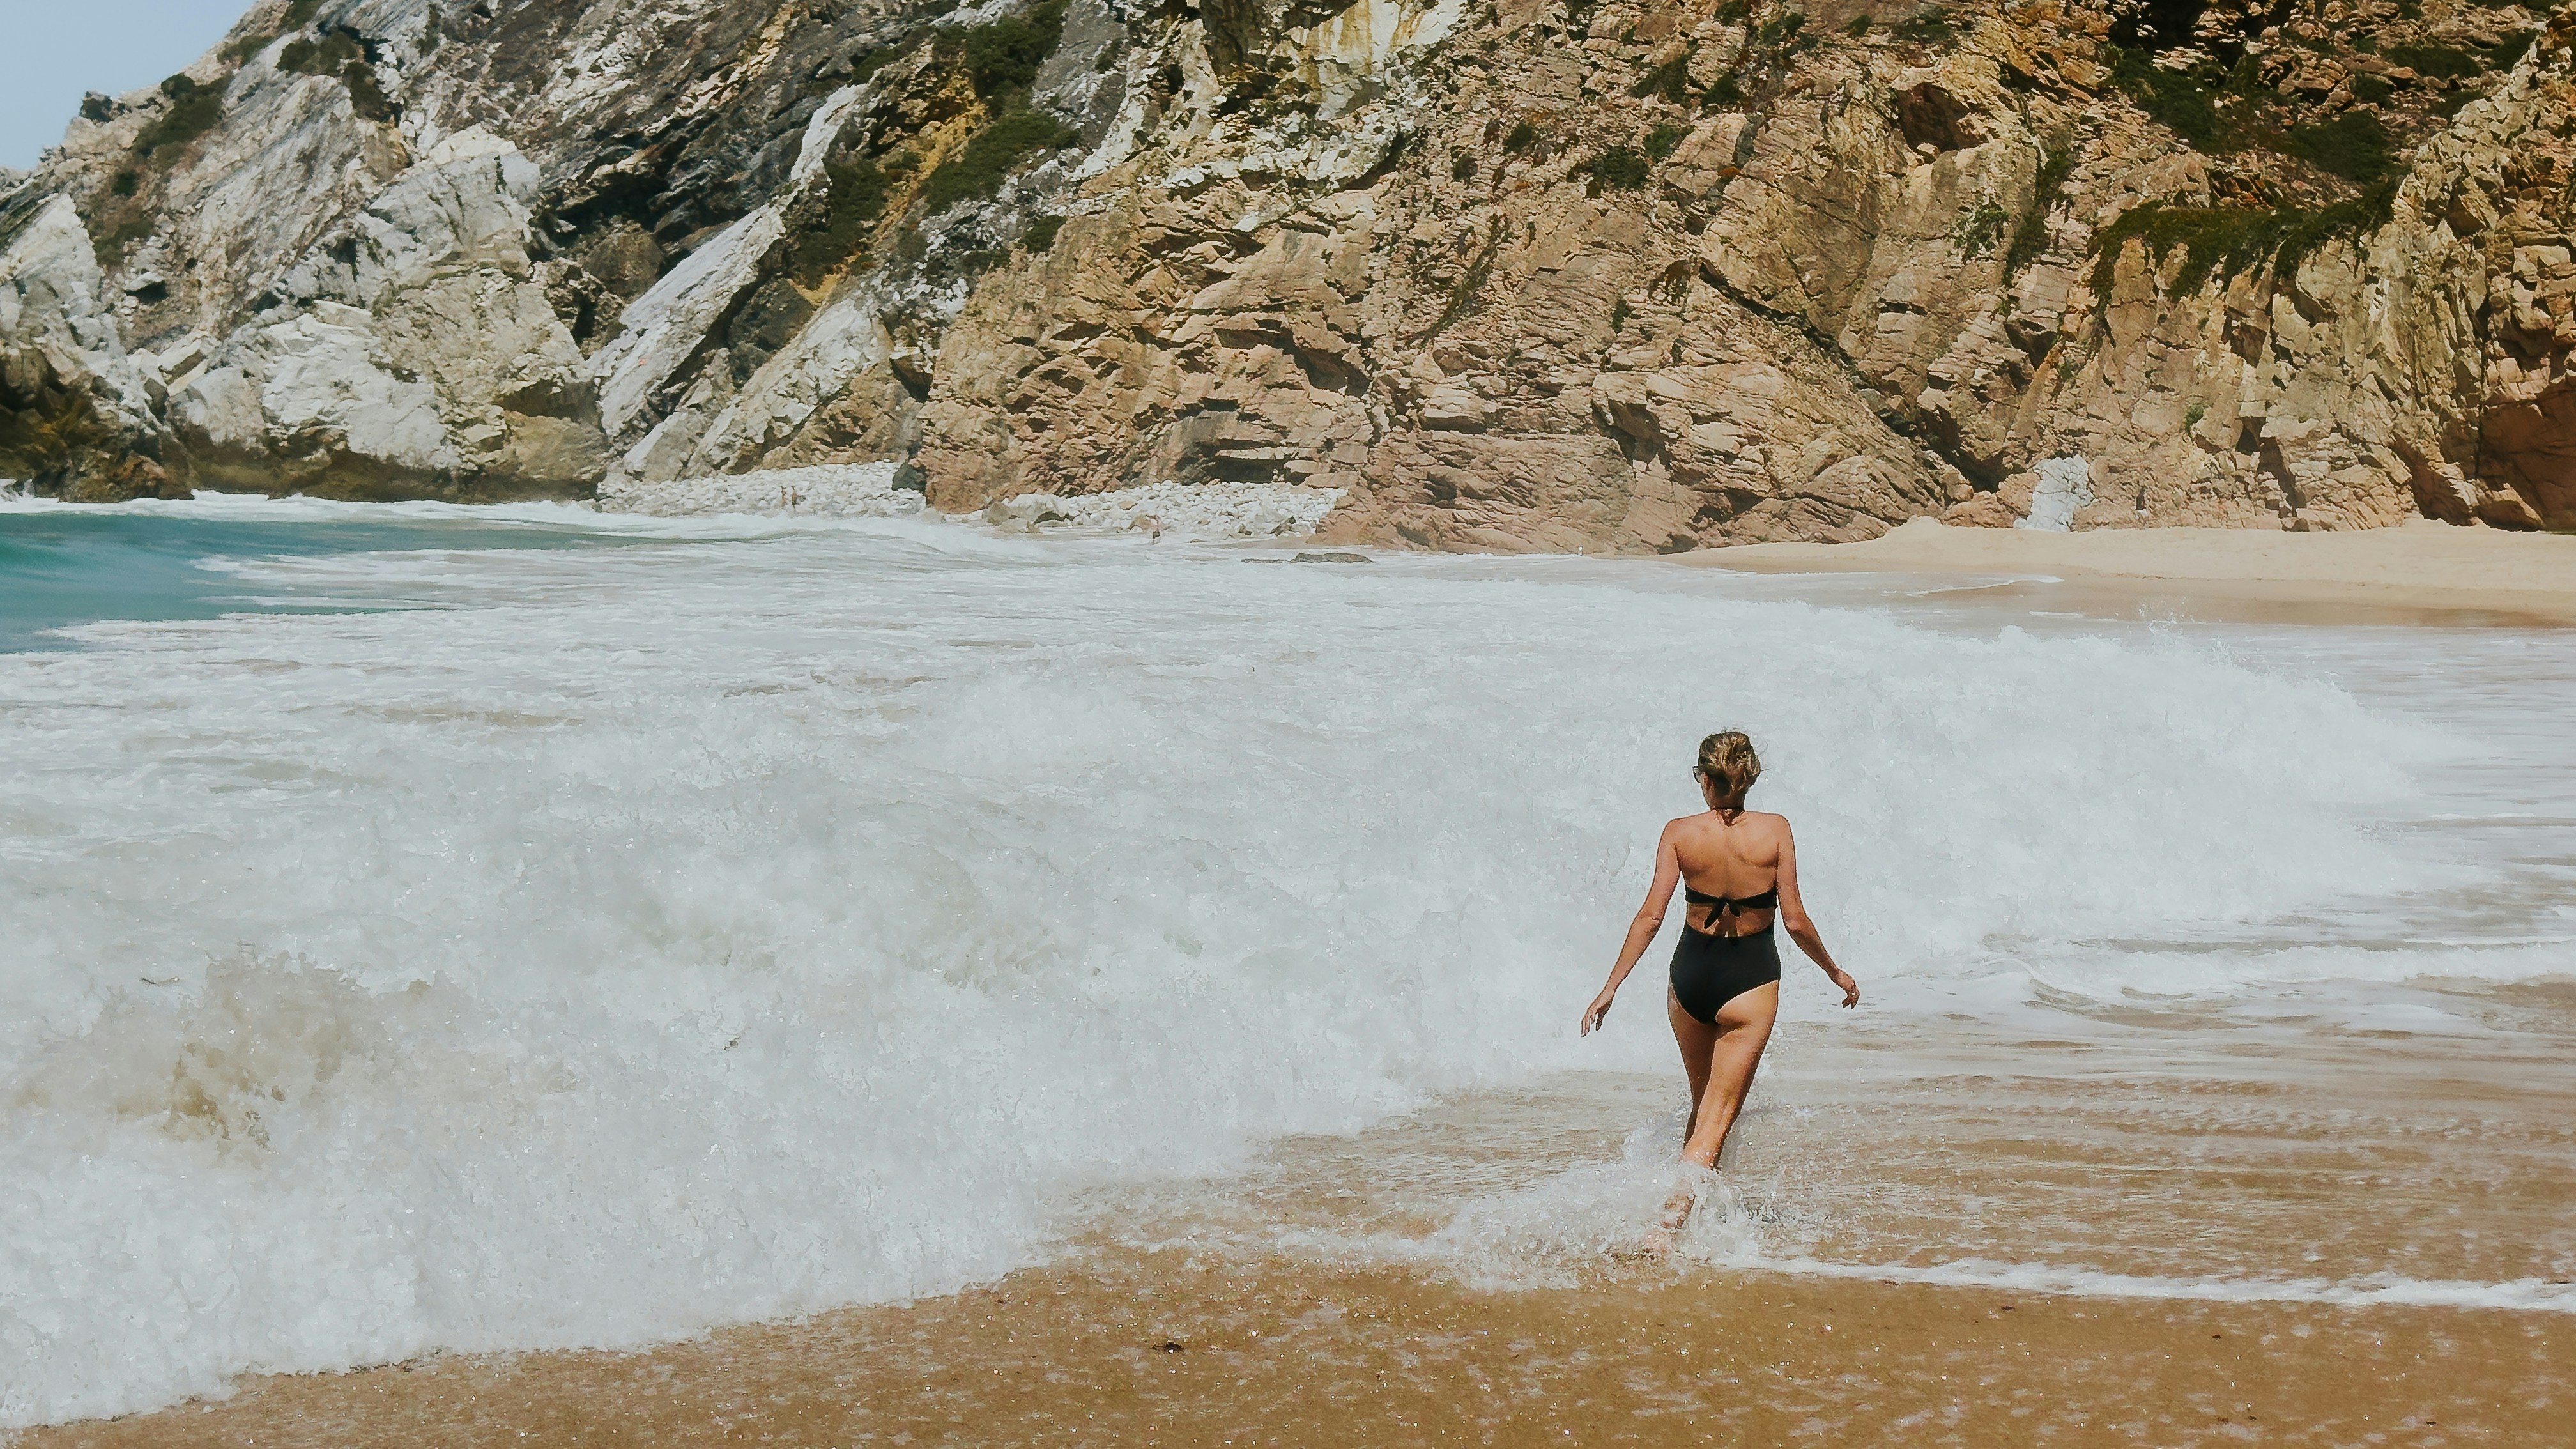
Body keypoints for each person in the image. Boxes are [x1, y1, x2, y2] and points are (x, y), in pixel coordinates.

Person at [1580, 731, 1859, 1234]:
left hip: (1689, 979)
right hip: (1749, 983)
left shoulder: (1679, 832)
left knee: (1704, 1104)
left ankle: (1695, 1212)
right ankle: (1667, 1230)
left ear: (1706, 780)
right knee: (1716, 1116)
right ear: (1749, 777)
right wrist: (1834, 972)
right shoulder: (1776, 830)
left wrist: (1610, 987)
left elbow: (1650, 916)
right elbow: (1794, 921)